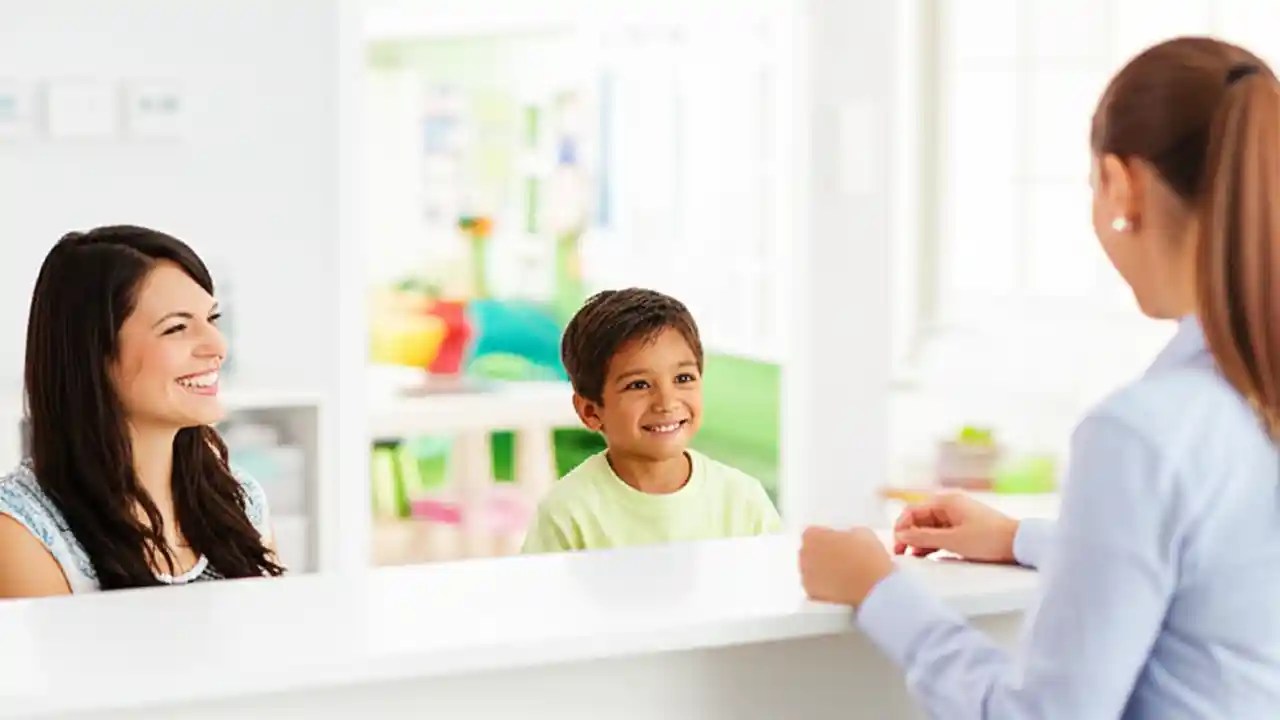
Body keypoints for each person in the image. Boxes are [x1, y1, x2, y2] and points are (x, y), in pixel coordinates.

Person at [799, 36, 1280, 718]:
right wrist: (1020, 538)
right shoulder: (1248, 397)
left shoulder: (1143, 433)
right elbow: (1220, 574)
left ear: (1120, 184)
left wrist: (878, 590)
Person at [0, 226, 285, 597]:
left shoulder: (241, 501)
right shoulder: (21, 531)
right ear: (93, 356)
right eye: (177, 328)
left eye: (212, 319)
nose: (217, 346)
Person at [522, 288, 782, 553]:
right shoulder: (566, 512)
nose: (667, 403)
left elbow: (777, 577)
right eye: (639, 385)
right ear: (591, 411)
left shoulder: (743, 500)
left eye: (683, 378)